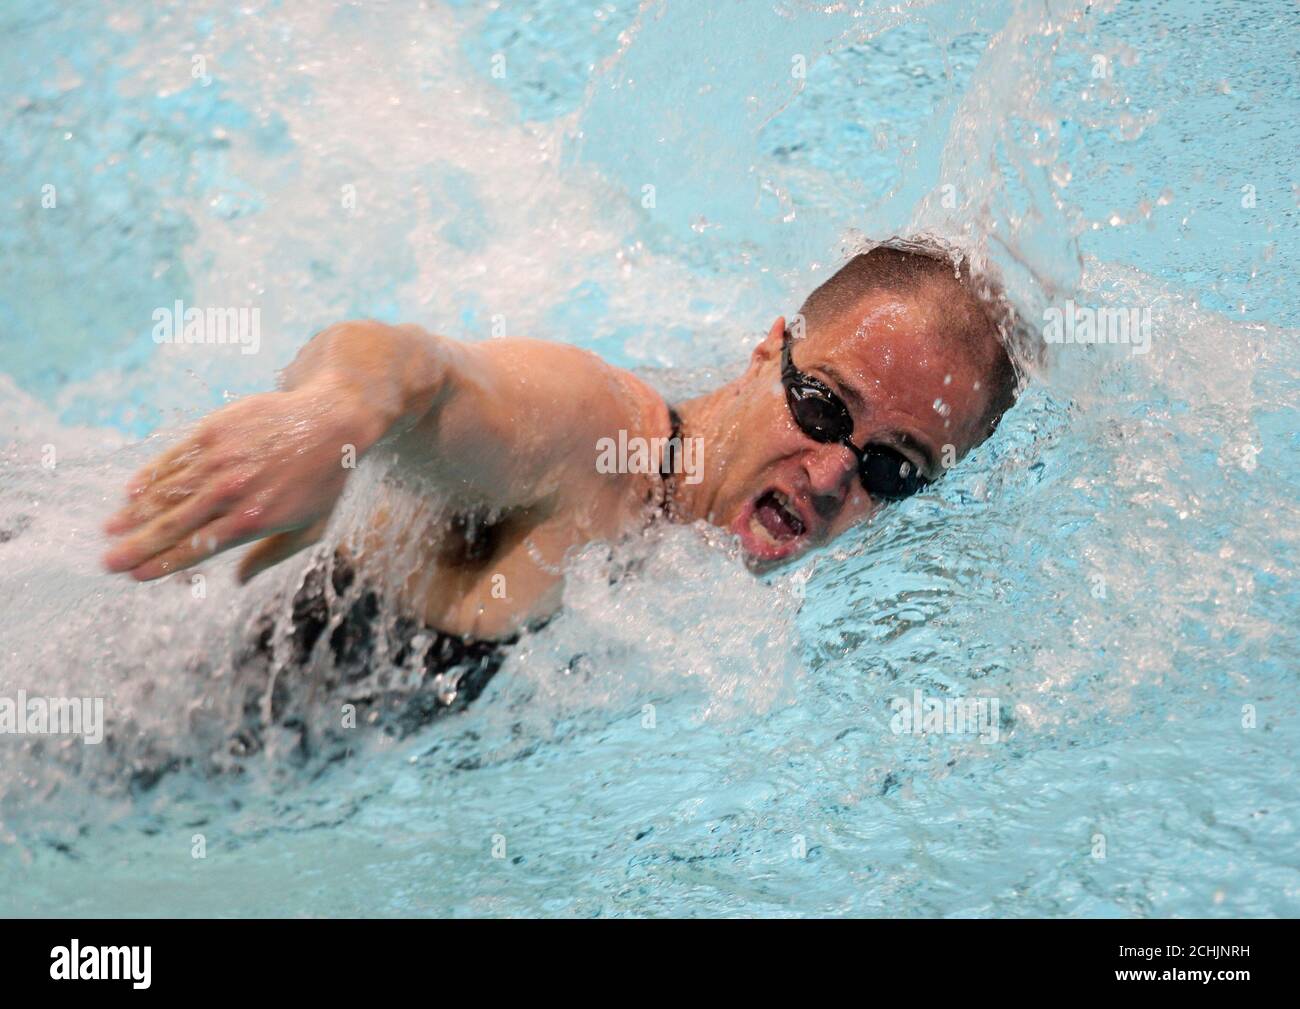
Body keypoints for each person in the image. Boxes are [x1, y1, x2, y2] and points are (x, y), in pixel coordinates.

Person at [100, 240, 1022, 764]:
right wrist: (331, 421)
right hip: (112, 725)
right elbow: (411, 368)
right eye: (822, 406)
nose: (830, 477)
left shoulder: (700, 547)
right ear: (765, 349)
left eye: (893, 469)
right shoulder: (596, 440)